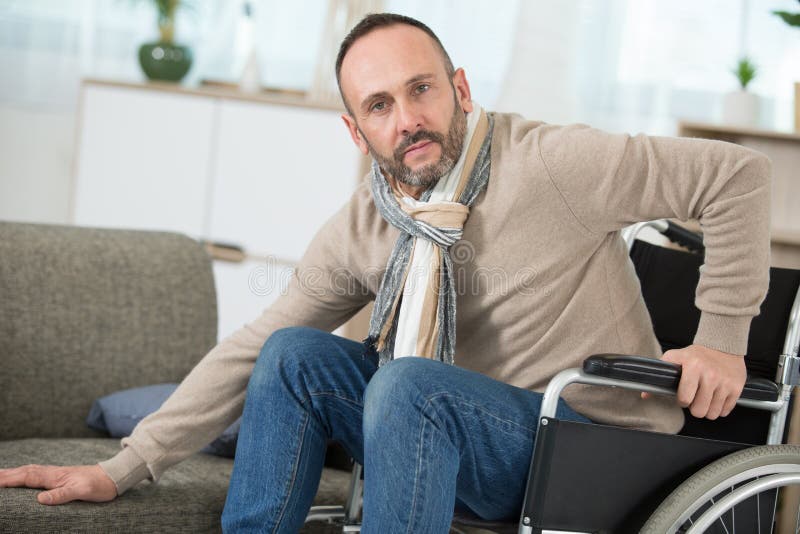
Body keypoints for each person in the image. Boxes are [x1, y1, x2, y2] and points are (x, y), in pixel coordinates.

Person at [0, 12, 771, 533]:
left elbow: (735, 177)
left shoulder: (552, 164)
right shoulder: (368, 224)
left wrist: (723, 338)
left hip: (591, 443)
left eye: (421, 89)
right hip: (459, 429)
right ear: (354, 128)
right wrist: (124, 466)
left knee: (407, 383)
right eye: (379, 105)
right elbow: (257, 340)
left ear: (460, 88)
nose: (407, 119)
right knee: (294, 356)